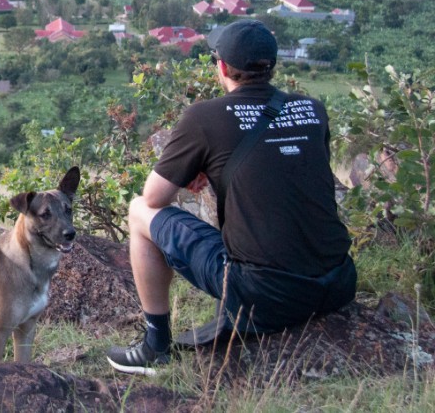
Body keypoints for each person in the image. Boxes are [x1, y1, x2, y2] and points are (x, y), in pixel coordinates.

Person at [107, 20, 356, 376]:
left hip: (266, 294)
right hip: (338, 283)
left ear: (222, 67)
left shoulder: (204, 117)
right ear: (272, 66)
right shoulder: (313, 110)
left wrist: (202, 166)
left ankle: (155, 345)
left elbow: (154, 197)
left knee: (138, 211)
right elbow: (284, 174)